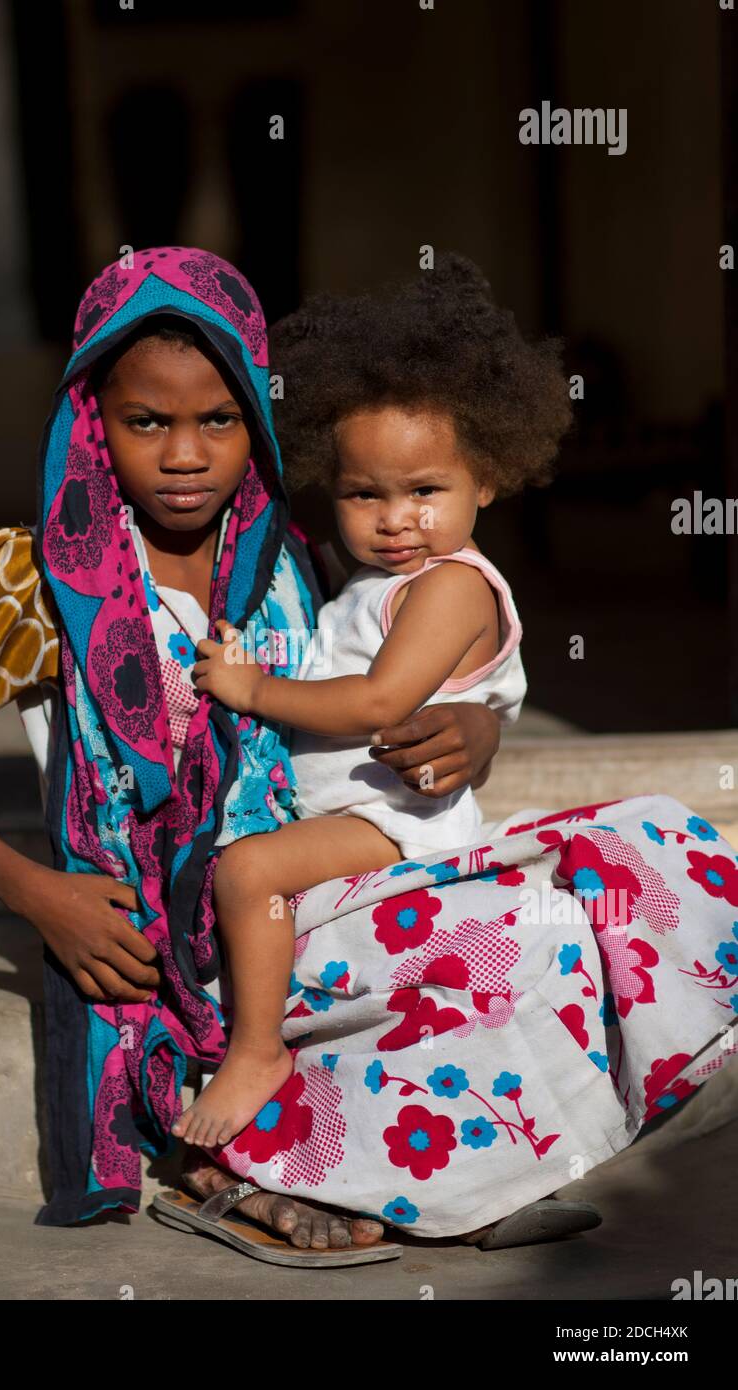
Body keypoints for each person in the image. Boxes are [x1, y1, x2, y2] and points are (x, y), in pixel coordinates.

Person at [0, 247, 506, 1261]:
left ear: (258, 420)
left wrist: (478, 730)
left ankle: (450, 1172)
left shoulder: (293, 552)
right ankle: (244, 1174)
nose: (186, 453)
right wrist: (35, 893)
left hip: (285, 888)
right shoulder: (32, 572)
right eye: (146, 421)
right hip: (130, 922)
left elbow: (388, 685)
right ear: (91, 420)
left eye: (219, 419)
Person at [173, 259, 543, 1149]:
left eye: (425, 491)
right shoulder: (375, 581)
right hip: (361, 809)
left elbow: (380, 699)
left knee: (247, 872)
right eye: (362, 493)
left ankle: (254, 1051)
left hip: (396, 815)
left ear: (486, 480)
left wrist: (252, 688)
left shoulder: (451, 585)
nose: (394, 518)